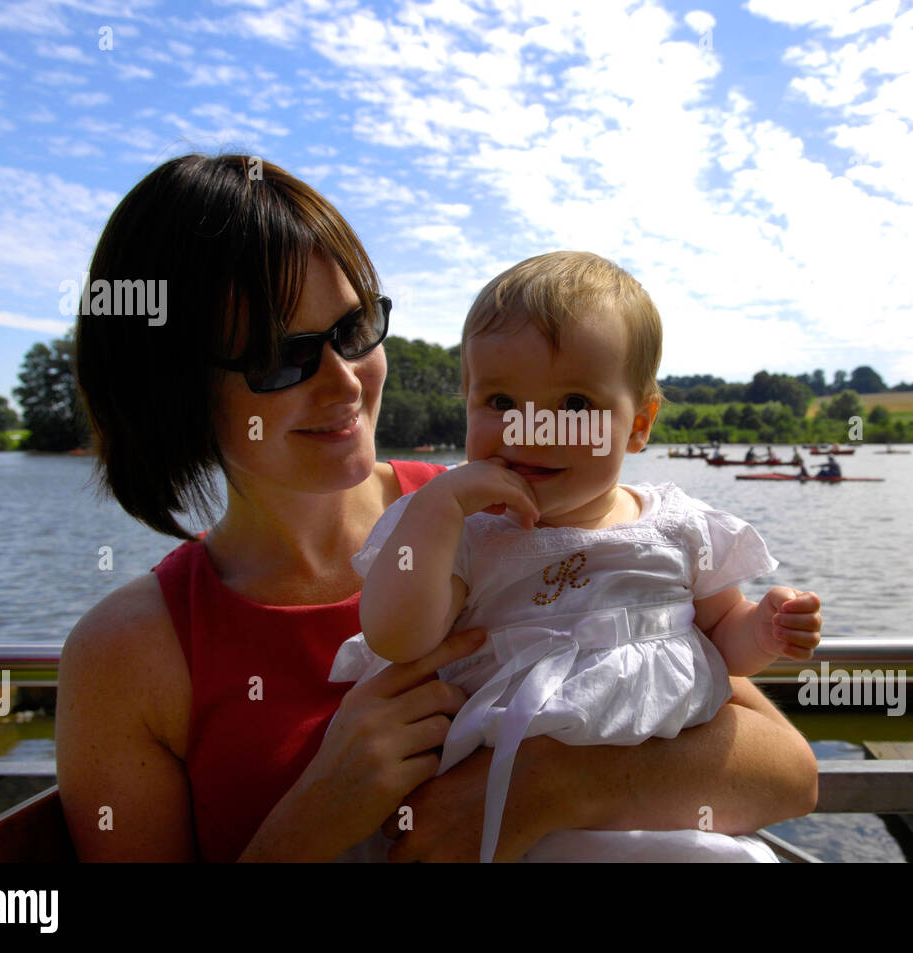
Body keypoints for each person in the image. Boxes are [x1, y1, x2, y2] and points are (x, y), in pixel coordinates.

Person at [55, 155, 819, 862]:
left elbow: (785, 772)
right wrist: (315, 817)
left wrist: (542, 786)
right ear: (173, 391)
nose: (346, 382)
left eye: (353, 330)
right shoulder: (129, 655)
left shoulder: (526, 511)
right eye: (280, 356)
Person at [331, 252, 822, 862]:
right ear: (466, 402)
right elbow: (397, 636)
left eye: (573, 408)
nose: (532, 428)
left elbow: (726, 642)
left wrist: (767, 628)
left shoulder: (676, 527)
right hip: (489, 827)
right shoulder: (465, 531)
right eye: (502, 401)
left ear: (638, 424)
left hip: (660, 819)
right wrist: (435, 511)